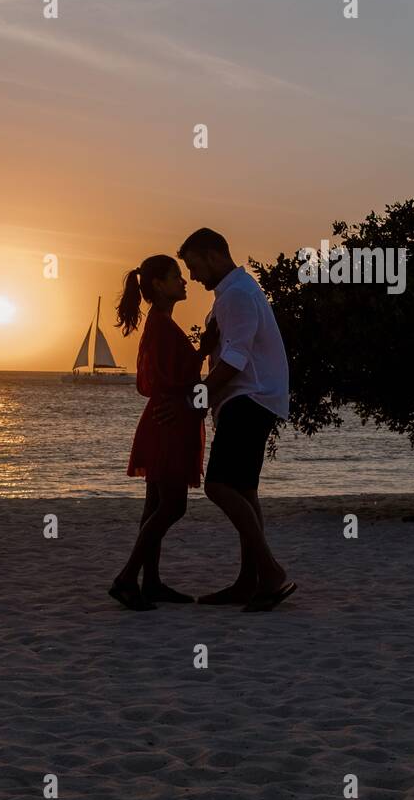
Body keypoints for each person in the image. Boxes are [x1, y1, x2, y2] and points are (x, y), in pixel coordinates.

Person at [160, 228, 296, 612]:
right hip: (258, 397)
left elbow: (235, 361)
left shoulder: (236, 295)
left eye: (194, 265)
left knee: (218, 486)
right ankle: (249, 580)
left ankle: (270, 573)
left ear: (213, 255)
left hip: (248, 398)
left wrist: (195, 401)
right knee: (245, 490)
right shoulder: (236, 293)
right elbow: (230, 351)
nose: (194, 276)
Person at [108, 255, 209, 611]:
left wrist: (201, 353)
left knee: (155, 503)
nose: (184, 283)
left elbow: (167, 375)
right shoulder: (163, 326)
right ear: (158, 285)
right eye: (176, 277)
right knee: (173, 505)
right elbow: (171, 379)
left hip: (163, 419)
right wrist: (207, 351)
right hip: (169, 423)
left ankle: (150, 582)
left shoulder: (160, 323)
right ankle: (126, 578)